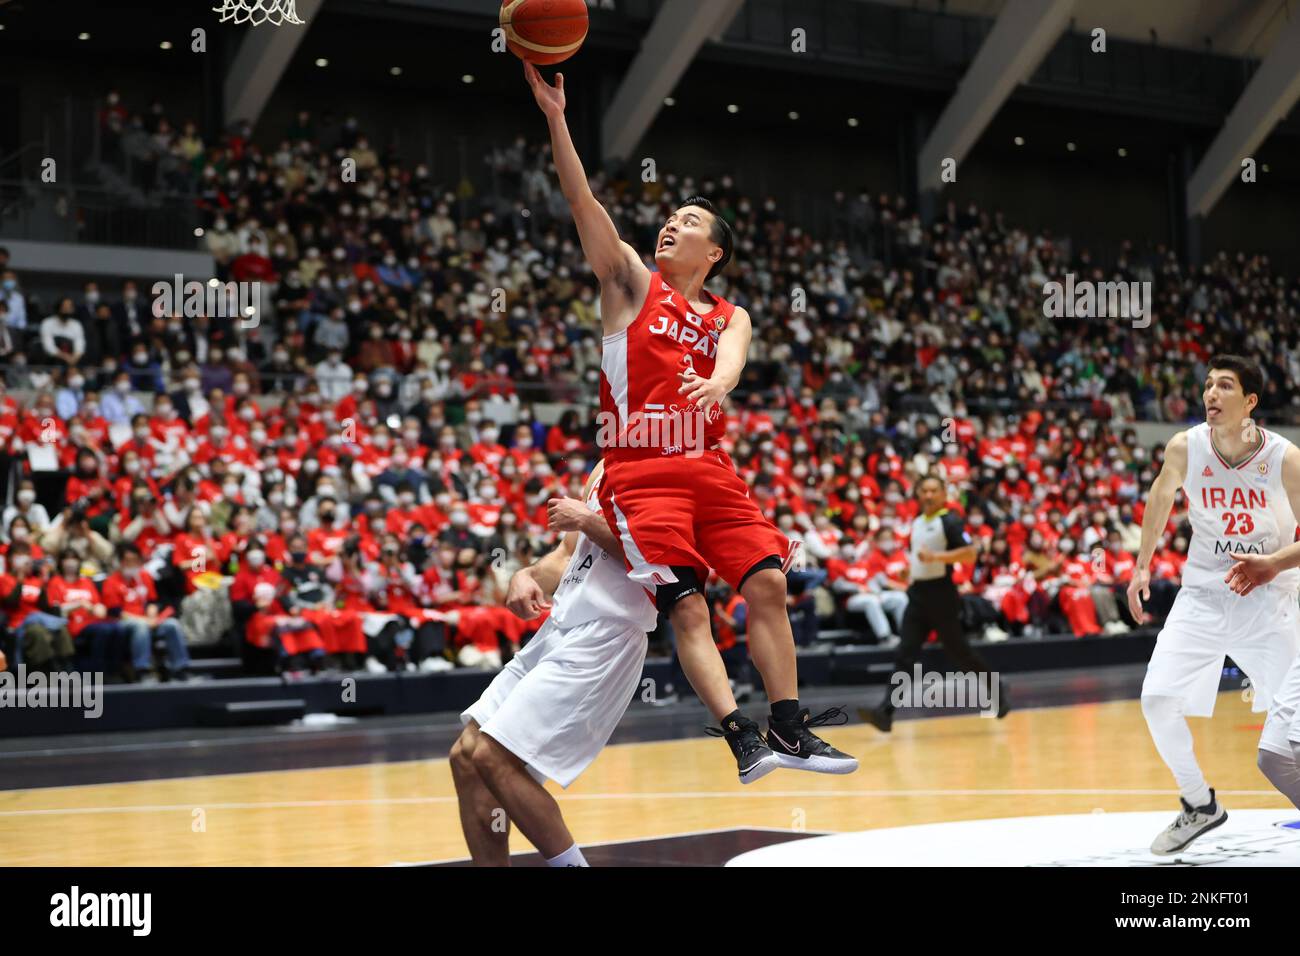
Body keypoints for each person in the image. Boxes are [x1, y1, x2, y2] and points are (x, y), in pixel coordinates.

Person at [524, 62, 854, 781]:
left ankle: (791, 727)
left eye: (691, 223)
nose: (672, 225)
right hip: (642, 471)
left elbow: (734, 351)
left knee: (766, 583)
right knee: (689, 607)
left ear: (715, 253)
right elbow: (581, 200)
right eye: (670, 219)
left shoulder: (729, 311)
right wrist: (556, 116)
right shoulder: (630, 282)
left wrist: (720, 380)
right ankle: (740, 737)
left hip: (711, 469)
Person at [1128, 356, 1300, 855]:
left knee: (1290, 737)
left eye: (1225, 385)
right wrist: (1142, 565)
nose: (1211, 393)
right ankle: (1199, 803)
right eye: (1207, 385)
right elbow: (1160, 498)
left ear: (1250, 402)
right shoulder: (1186, 446)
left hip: (1268, 599)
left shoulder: (1285, 458)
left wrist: (1271, 563)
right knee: (1157, 701)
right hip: (1202, 595)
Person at [451, 462, 657, 866]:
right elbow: (567, 555)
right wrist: (526, 574)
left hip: (607, 633)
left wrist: (587, 518)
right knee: (466, 755)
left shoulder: (674, 461)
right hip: (561, 626)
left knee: (492, 755)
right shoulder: (606, 464)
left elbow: (662, 559)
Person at [858, 475, 1010, 731]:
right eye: (923, 490)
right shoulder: (917, 522)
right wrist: (912, 571)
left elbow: (971, 553)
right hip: (917, 594)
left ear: (943, 495)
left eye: (933, 491)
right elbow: (922, 558)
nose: (928, 495)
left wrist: (936, 557)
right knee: (905, 654)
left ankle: (996, 690)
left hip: (942, 595)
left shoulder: (949, 521)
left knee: (959, 652)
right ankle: (885, 712)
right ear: (917, 494)